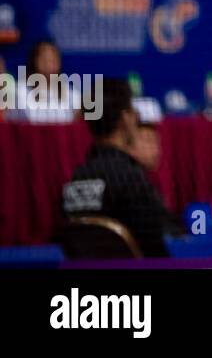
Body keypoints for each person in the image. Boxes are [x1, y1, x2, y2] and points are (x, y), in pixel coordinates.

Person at [61, 79, 181, 257]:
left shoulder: (76, 177)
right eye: (133, 111)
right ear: (126, 119)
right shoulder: (129, 177)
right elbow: (160, 243)